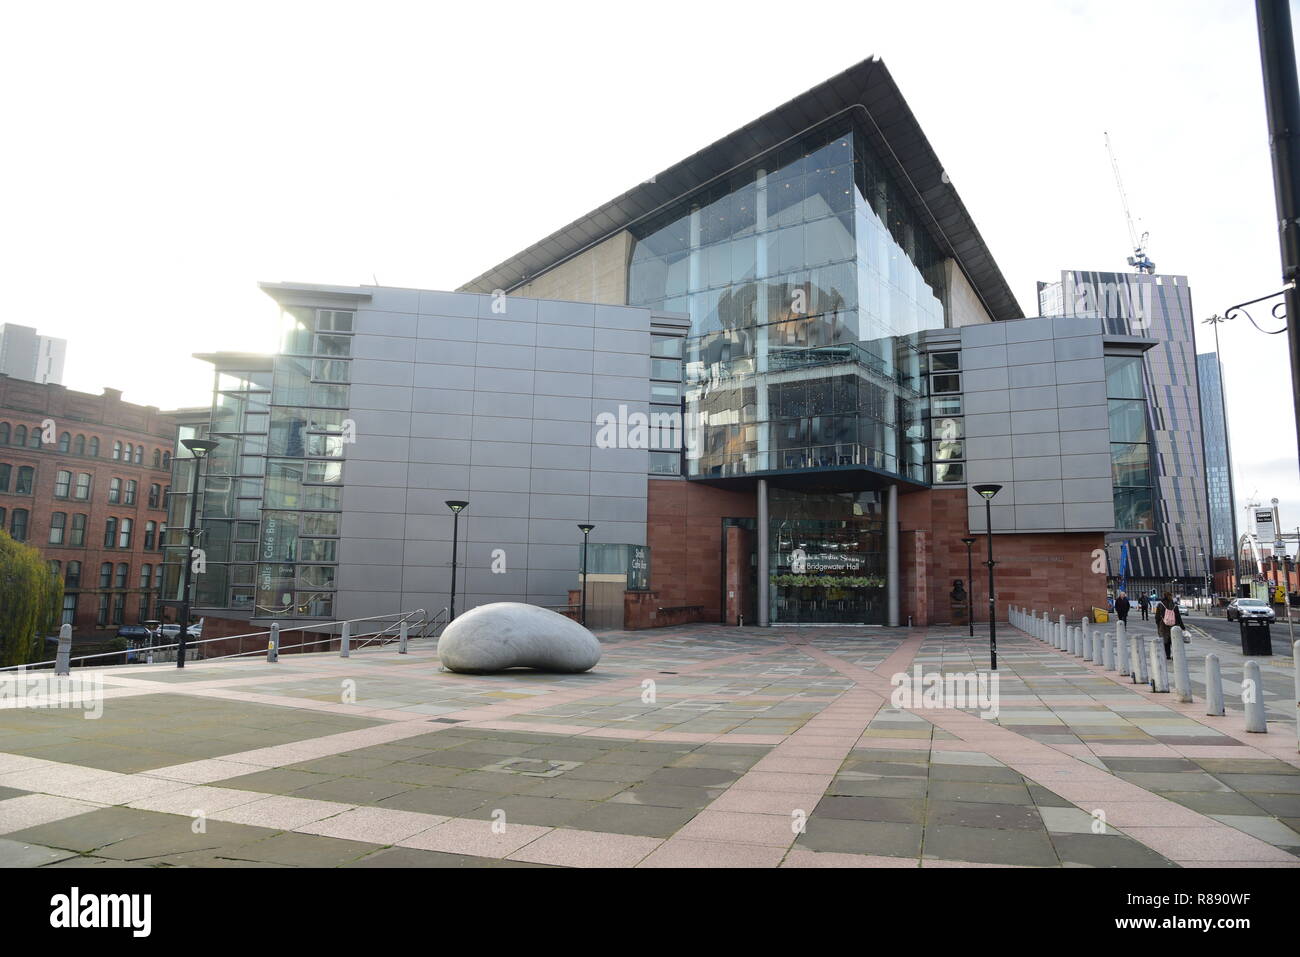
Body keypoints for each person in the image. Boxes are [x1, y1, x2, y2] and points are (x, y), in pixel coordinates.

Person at [1154, 591, 1183, 661]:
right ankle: (1174, 655)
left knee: (1165, 641)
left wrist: (1158, 624)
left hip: (1163, 625)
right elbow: (1178, 617)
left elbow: (1157, 616)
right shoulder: (1174, 605)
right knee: (1173, 641)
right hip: (1173, 625)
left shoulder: (1160, 604)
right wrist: (1182, 627)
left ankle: (1167, 655)